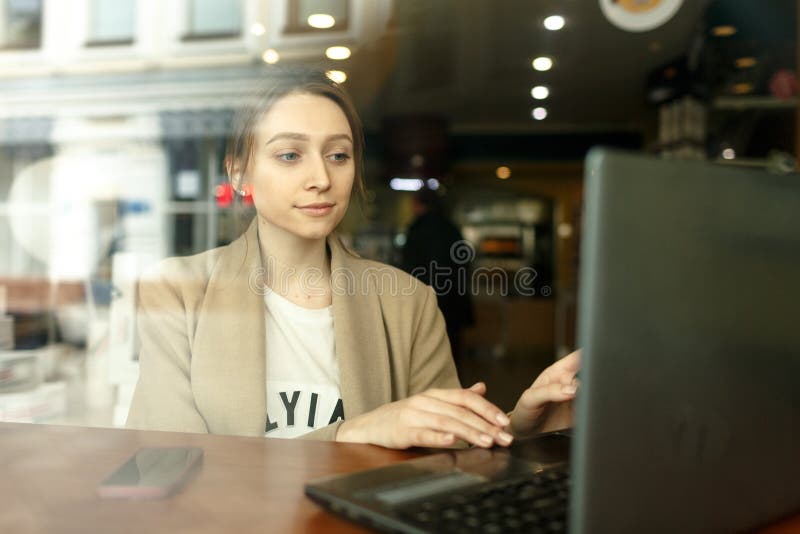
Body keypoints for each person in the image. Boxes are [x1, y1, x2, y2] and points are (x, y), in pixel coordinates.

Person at [126, 67, 580, 450]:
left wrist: (521, 428)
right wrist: (351, 434)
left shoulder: (408, 303)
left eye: (338, 155)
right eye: (289, 155)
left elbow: (446, 459)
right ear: (240, 172)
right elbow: (166, 466)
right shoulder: (178, 291)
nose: (321, 177)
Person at [401, 188, 474, 377]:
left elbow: (408, 269)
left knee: (424, 354)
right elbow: (464, 262)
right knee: (451, 350)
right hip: (453, 300)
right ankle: (453, 390)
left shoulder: (417, 229)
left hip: (425, 300)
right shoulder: (451, 227)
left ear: (419, 204)